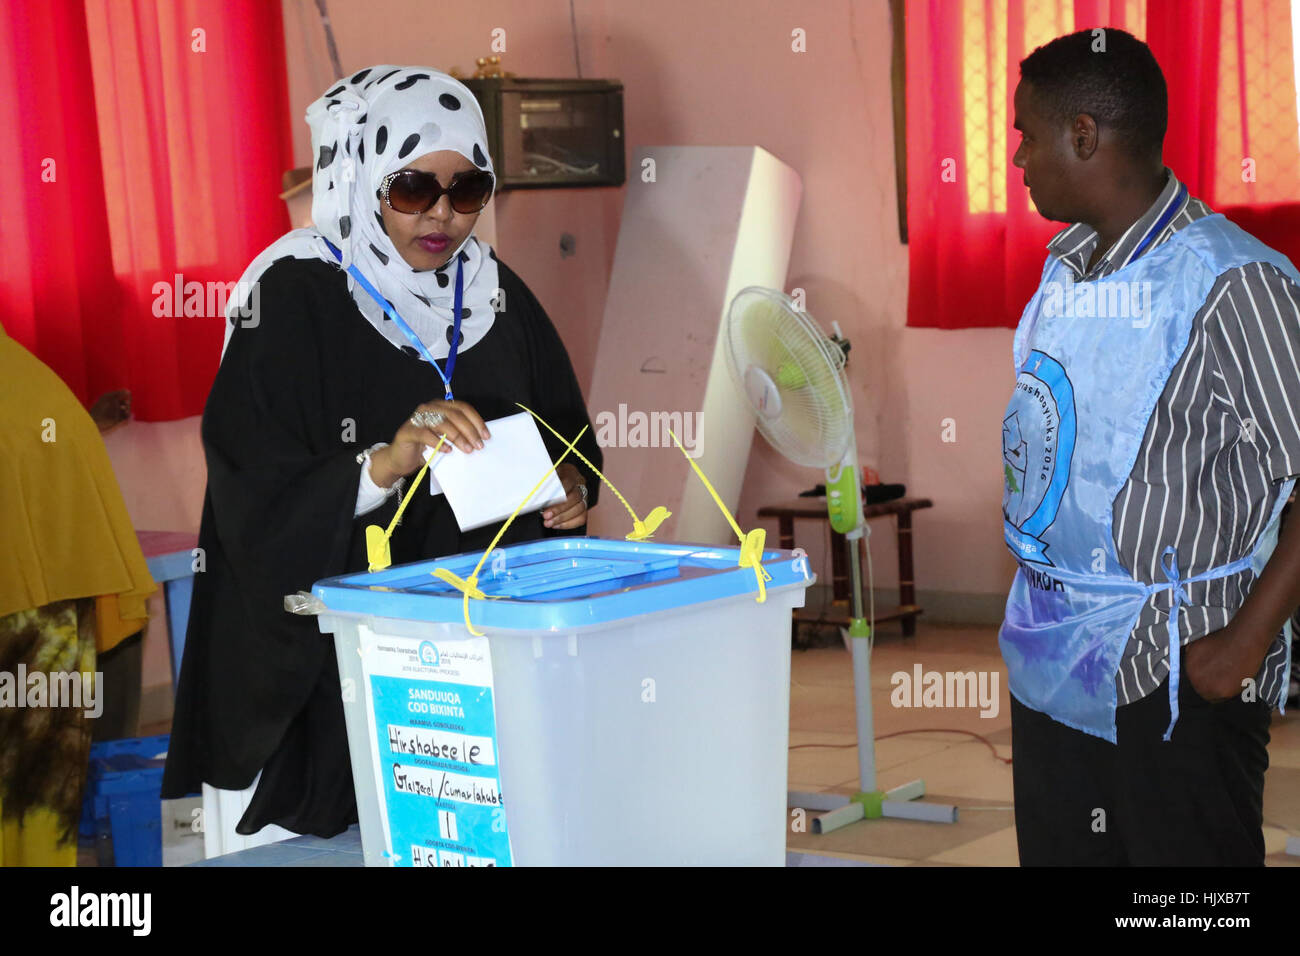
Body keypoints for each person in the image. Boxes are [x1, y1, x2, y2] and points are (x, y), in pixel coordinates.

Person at [160, 67, 601, 841]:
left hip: (467, 660)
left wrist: (569, 485)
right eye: (412, 189)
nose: (443, 217)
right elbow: (251, 493)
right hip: (319, 669)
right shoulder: (292, 297)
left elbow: (566, 432)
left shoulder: (492, 293)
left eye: (467, 190)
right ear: (362, 178)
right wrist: (384, 464)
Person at [1000, 29, 1300, 866]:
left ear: (1085, 136)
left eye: (1027, 135)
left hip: (1173, 678)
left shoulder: (1234, 284)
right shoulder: (1065, 272)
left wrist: (1239, 649)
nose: (1017, 159)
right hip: (1053, 663)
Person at [0, 323, 155, 866]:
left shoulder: (24, 382)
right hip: (53, 594)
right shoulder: (26, 379)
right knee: (38, 779)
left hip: (44, 594)